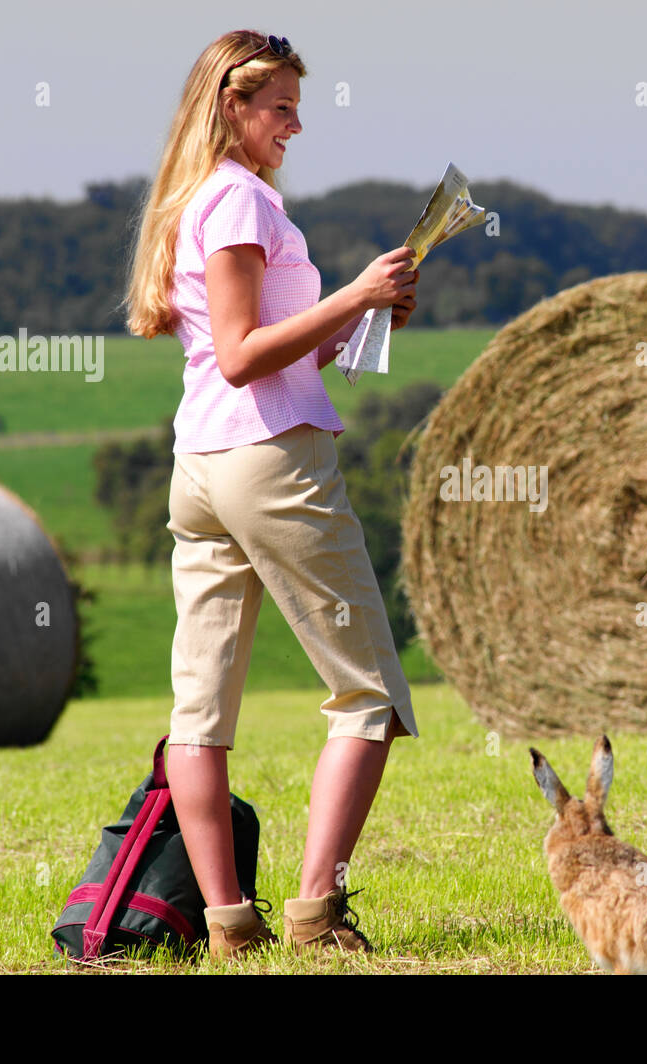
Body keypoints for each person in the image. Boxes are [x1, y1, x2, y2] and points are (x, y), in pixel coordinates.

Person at [123, 29, 421, 960]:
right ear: (231, 106)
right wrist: (356, 290)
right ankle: (315, 915)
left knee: (198, 715)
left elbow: (252, 348)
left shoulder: (193, 202)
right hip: (272, 463)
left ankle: (226, 927)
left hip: (201, 469)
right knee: (367, 698)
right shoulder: (242, 200)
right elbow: (250, 357)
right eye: (280, 107)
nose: (295, 126)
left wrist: (357, 316)